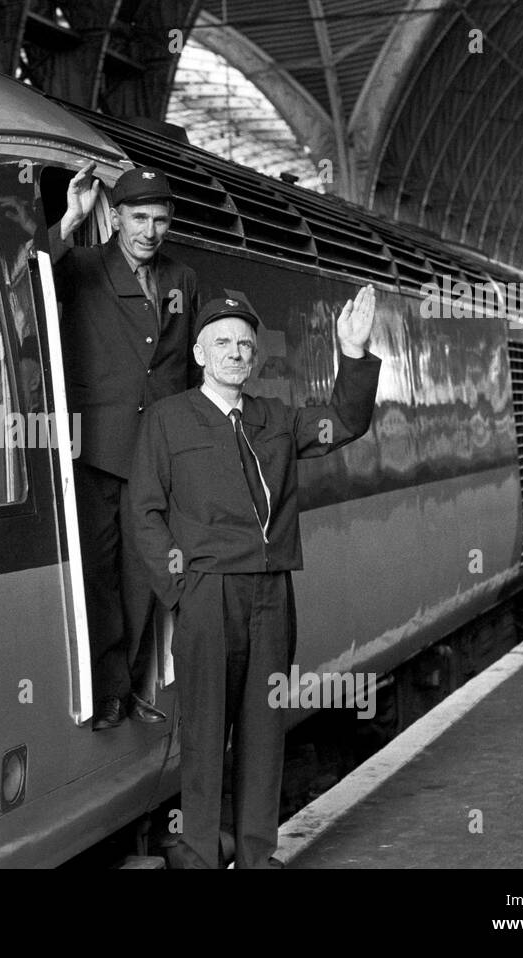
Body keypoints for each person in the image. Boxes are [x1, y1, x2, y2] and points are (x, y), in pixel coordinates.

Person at [128, 289, 380, 868]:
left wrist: (353, 351)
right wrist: (180, 591)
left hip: (271, 593)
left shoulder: (277, 419)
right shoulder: (168, 421)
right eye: (223, 342)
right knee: (206, 730)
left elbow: (343, 421)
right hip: (208, 594)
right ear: (199, 352)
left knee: (265, 729)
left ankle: (257, 853)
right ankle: (199, 851)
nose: (236, 353)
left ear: (255, 358)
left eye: (245, 344)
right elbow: (143, 513)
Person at [51, 163, 200, 730]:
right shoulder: (84, 267)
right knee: (99, 571)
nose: (150, 231)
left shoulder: (182, 280)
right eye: (139, 217)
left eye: (160, 220)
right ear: (114, 217)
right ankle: (110, 690)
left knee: (145, 572)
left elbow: (188, 363)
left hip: (157, 450)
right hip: (96, 449)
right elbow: (24, 276)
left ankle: (134, 684)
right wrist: (67, 221)